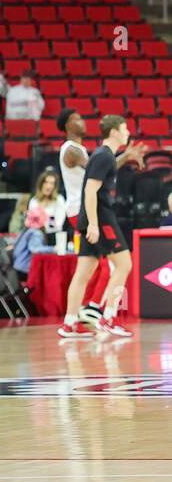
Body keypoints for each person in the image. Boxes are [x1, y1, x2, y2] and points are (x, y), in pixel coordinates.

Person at [59, 115, 138, 340]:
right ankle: (108, 318)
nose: (127, 132)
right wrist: (94, 223)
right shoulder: (103, 156)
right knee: (124, 265)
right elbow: (90, 190)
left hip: (90, 217)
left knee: (84, 271)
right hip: (101, 217)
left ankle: (69, 323)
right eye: (124, 128)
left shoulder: (102, 155)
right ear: (114, 132)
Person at [56, 108, 146, 243]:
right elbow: (99, 169)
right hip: (79, 208)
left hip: (86, 206)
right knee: (105, 251)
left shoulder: (79, 148)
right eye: (77, 119)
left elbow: (102, 168)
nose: (82, 122)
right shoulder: (70, 150)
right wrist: (125, 156)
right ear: (67, 125)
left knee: (94, 255)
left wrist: (126, 156)